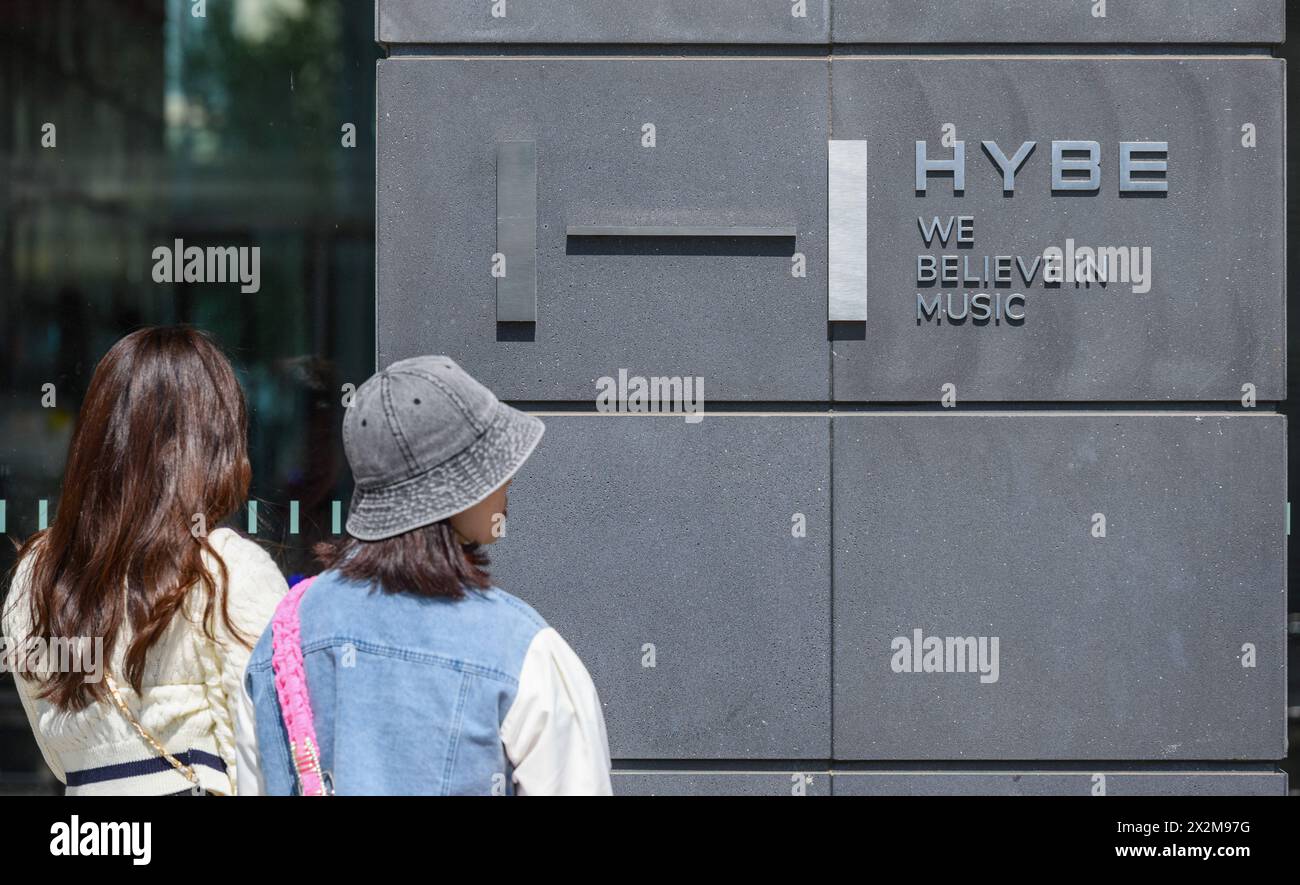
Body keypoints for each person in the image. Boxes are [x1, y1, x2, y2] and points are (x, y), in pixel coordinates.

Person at [236, 356, 612, 795]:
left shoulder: (282, 638)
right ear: (454, 491)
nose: (509, 477)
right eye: (490, 464)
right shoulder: (523, 652)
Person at [1, 326, 288, 795]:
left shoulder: (37, 572)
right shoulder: (228, 570)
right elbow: (268, 756)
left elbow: (56, 755)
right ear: (214, 443)